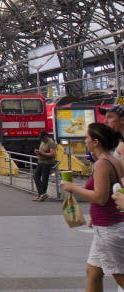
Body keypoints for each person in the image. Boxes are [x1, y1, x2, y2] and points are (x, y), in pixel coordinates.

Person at [60, 123, 124, 291]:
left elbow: (100, 198)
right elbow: (115, 192)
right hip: (105, 224)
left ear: (96, 142)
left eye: (87, 138)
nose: (85, 141)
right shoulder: (114, 160)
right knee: (93, 272)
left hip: (108, 229)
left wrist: (72, 187)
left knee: (120, 275)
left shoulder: (102, 164)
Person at [32, 130, 57, 202]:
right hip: (40, 161)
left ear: (46, 136)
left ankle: (42, 195)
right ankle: (42, 194)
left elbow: (52, 154)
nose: (42, 140)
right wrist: (38, 152)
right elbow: (41, 151)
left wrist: (43, 154)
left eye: (43, 138)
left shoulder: (51, 143)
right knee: (36, 176)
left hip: (47, 162)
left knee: (44, 179)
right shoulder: (42, 142)